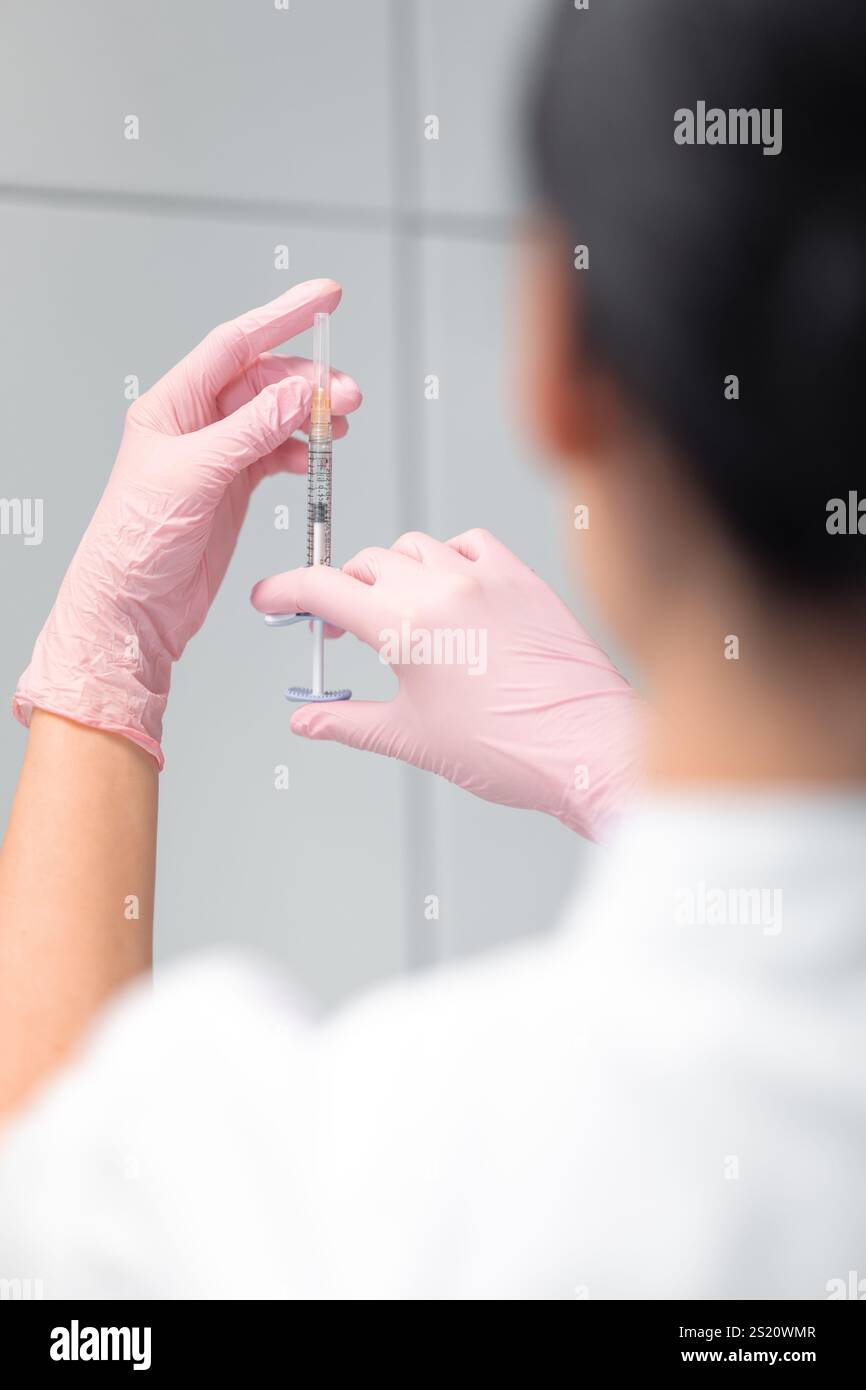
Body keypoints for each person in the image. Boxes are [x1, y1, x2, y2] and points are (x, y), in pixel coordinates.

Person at [1, 0, 865, 1299]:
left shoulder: (364, 1176)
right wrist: (617, 765)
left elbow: (50, 1214)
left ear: (556, 362)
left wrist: (103, 665)